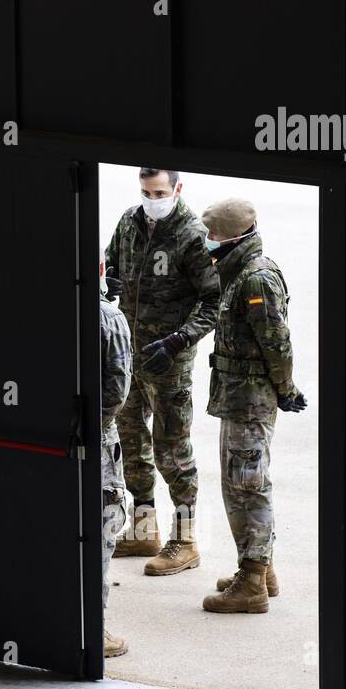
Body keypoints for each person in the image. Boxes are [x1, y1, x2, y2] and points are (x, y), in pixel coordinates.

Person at [105, 168, 220, 576]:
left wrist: (177, 341)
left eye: (159, 191)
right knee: (131, 440)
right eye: (145, 191)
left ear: (177, 190)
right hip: (131, 356)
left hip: (168, 360)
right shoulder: (129, 222)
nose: (151, 198)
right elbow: (107, 262)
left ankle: (185, 539)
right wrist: (111, 278)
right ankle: (143, 529)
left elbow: (212, 302)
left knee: (172, 450)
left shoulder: (192, 235)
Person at [199, 198, 306, 614]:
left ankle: (253, 584)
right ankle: (262, 569)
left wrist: (285, 388)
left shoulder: (256, 278)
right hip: (236, 397)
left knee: (248, 485)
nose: (208, 241)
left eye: (213, 235)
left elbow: (276, 343)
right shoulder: (237, 271)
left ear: (231, 235)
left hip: (250, 400)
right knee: (240, 482)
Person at [98, 256, 133, 657]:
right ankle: (95, 627)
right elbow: (116, 391)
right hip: (98, 441)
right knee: (103, 526)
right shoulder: (109, 318)